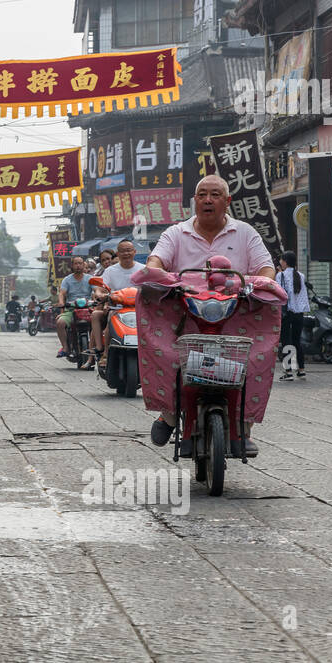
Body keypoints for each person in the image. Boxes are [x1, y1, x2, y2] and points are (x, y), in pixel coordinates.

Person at [141, 174, 277, 455]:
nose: (207, 200)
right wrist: (157, 272)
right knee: (166, 352)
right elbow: (157, 260)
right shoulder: (176, 233)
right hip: (184, 312)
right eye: (202, 194)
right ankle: (168, 412)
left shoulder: (245, 233)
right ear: (194, 200)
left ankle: (245, 424)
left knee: (252, 356)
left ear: (227, 202)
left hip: (236, 312)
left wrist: (260, 283)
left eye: (215, 195)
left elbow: (266, 268)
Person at [91, 239, 145, 367]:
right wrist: (100, 294)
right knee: (110, 320)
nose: (126, 253)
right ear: (117, 253)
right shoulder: (110, 271)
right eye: (123, 251)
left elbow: (152, 286)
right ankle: (105, 353)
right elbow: (101, 287)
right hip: (116, 308)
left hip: (139, 309)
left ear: (134, 252)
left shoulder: (143, 270)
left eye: (129, 250)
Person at [55, 256, 95, 366]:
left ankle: (97, 347)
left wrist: (98, 298)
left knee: (98, 323)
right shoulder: (67, 280)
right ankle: (65, 347)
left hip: (88, 307)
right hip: (71, 308)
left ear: (84, 265)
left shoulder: (90, 279)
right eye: (76, 263)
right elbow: (62, 293)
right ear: (72, 266)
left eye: (80, 263)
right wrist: (61, 302)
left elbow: (96, 290)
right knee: (60, 323)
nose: (78, 266)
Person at [277, 251, 310, 381]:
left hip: (287, 314)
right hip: (299, 314)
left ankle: (288, 371)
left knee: (286, 342)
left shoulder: (281, 276)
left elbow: (279, 293)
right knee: (297, 341)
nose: (280, 262)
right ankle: (301, 370)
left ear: (285, 261)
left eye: (281, 260)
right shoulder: (301, 276)